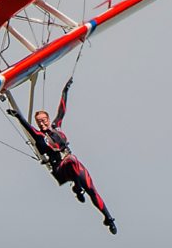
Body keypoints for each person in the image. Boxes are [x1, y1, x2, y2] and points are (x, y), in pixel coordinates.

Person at [7, 79, 118, 235]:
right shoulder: (40, 136)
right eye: (39, 122)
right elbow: (28, 127)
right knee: (71, 161)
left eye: (44, 120)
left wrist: (65, 90)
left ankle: (109, 219)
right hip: (60, 168)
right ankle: (77, 188)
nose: (42, 124)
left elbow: (62, 110)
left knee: (91, 189)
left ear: (48, 119)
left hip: (72, 163)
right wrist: (18, 116)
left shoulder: (56, 126)